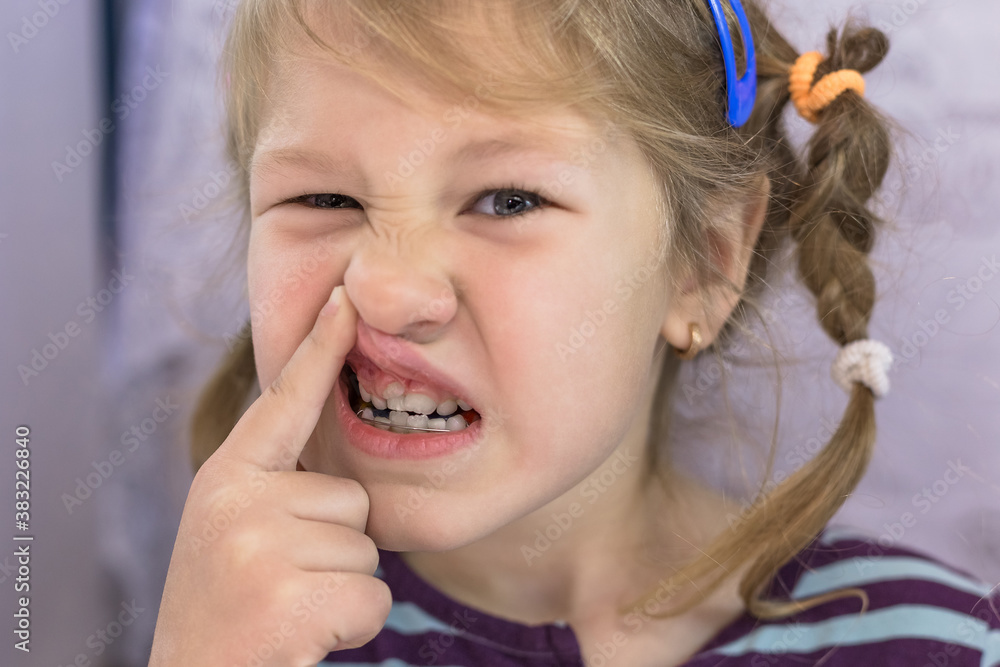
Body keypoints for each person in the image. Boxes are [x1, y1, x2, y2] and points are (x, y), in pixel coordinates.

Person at [148, 1, 1000, 665]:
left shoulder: (935, 642)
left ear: (704, 262)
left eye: (508, 200)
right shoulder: (242, 628)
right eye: (324, 200)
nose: (388, 288)